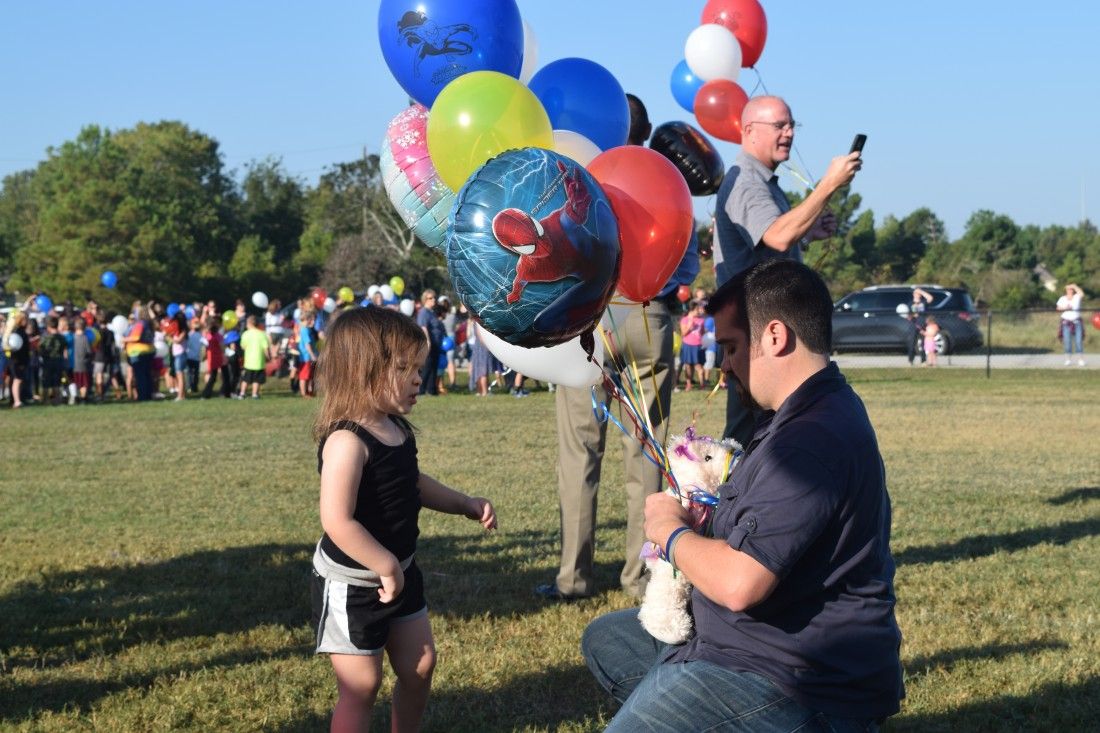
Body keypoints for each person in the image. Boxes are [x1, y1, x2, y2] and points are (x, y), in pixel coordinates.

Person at [581, 259, 904, 730]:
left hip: (792, 677)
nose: (724, 366)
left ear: (774, 336)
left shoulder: (810, 441)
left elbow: (738, 584)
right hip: (751, 644)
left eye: (731, 347)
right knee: (610, 640)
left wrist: (668, 530)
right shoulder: (801, 413)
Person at [537, 93, 699, 602]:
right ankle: (640, 576)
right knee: (646, 451)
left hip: (591, 315)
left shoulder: (585, 175)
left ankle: (573, 577)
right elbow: (688, 265)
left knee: (578, 451)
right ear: (647, 132)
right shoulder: (667, 181)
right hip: (649, 313)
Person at [309, 306, 497, 731]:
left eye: (419, 367)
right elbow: (337, 521)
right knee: (361, 683)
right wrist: (384, 565)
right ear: (363, 370)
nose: (417, 378)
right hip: (353, 584)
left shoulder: (395, 428)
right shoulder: (346, 441)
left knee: (420, 665)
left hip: (400, 571)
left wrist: (463, 503)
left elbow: (411, 483)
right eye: (404, 367)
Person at [712, 94, 861, 447]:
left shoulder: (763, 182)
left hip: (767, 329)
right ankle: (728, 500)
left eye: (792, 125)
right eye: (780, 125)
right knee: (747, 435)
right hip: (755, 334)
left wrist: (808, 232)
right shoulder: (745, 182)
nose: (790, 132)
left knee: (771, 429)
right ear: (749, 130)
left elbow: (772, 241)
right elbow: (778, 235)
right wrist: (829, 184)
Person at [415, 289, 445, 396]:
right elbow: (423, 328)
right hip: (429, 344)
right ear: (425, 300)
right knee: (427, 367)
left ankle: (432, 390)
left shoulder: (432, 312)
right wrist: (428, 342)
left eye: (434, 298)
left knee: (433, 367)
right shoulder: (423, 312)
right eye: (430, 298)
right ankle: (421, 390)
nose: (433, 300)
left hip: (436, 344)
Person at [238, 315, 273, 399]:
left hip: (249, 362)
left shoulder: (245, 334)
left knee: (246, 379)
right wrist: (269, 357)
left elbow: (243, 346)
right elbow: (266, 349)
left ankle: (242, 393)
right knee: (257, 380)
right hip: (259, 361)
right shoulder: (262, 334)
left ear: (249, 324)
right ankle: (254, 394)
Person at [678, 299, 707, 391]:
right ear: (692, 309)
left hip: (698, 345)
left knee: (699, 366)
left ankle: (702, 385)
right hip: (687, 345)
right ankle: (688, 385)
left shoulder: (701, 320)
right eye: (697, 309)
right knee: (688, 366)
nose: (699, 311)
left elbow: (702, 333)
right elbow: (683, 333)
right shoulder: (684, 319)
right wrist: (689, 327)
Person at [1057, 283, 1085, 366]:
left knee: (1078, 341)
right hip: (1066, 322)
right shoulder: (1062, 298)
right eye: (1068, 289)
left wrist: (1074, 286)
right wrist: (1065, 308)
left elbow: (1082, 294)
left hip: (1077, 321)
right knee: (1067, 341)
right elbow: (1058, 308)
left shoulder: (1076, 297)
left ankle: (1080, 359)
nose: (1070, 291)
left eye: (1071, 289)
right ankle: (1068, 359)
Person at [298, 311, 319, 398]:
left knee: (310, 375)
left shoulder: (308, 330)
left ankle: (309, 391)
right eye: (310, 320)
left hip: (309, 356)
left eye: (314, 320)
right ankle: (304, 393)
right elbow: (307, 344)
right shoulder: (305, 330)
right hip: (306, 357)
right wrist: (312, 355)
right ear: (304, 321)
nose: (313, 322)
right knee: (304, 376)